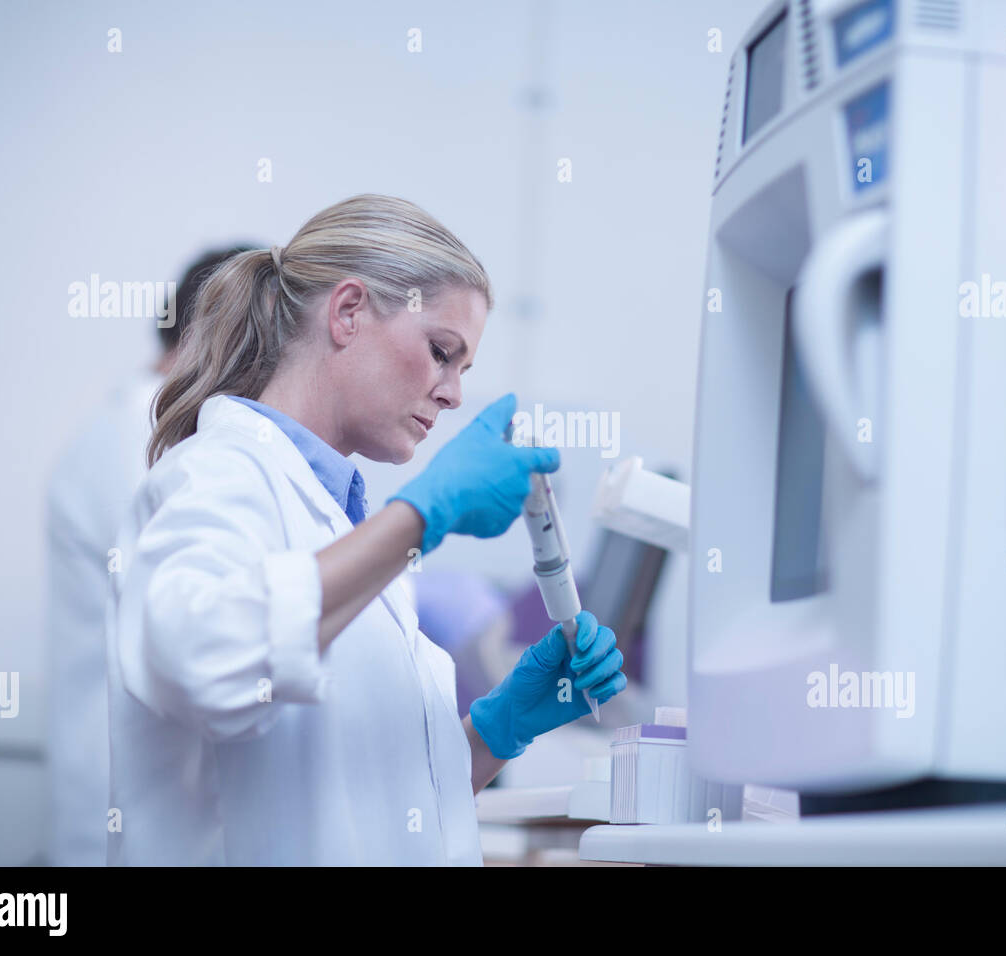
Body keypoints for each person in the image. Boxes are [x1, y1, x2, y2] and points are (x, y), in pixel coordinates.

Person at [107, 194, 627, 865]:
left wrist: (498, 729)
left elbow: (373, 804)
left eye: (463, 369)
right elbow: (207, 659)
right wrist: (420, 516)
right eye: (442, 352)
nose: (452, 393)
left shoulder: (335, 524)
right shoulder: (216, 475)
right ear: (348, 312)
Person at [44, 244, 256, 867]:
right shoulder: (141, 431)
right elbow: (206, 609)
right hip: (122, 803)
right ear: (212, 328)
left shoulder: (151, 424)